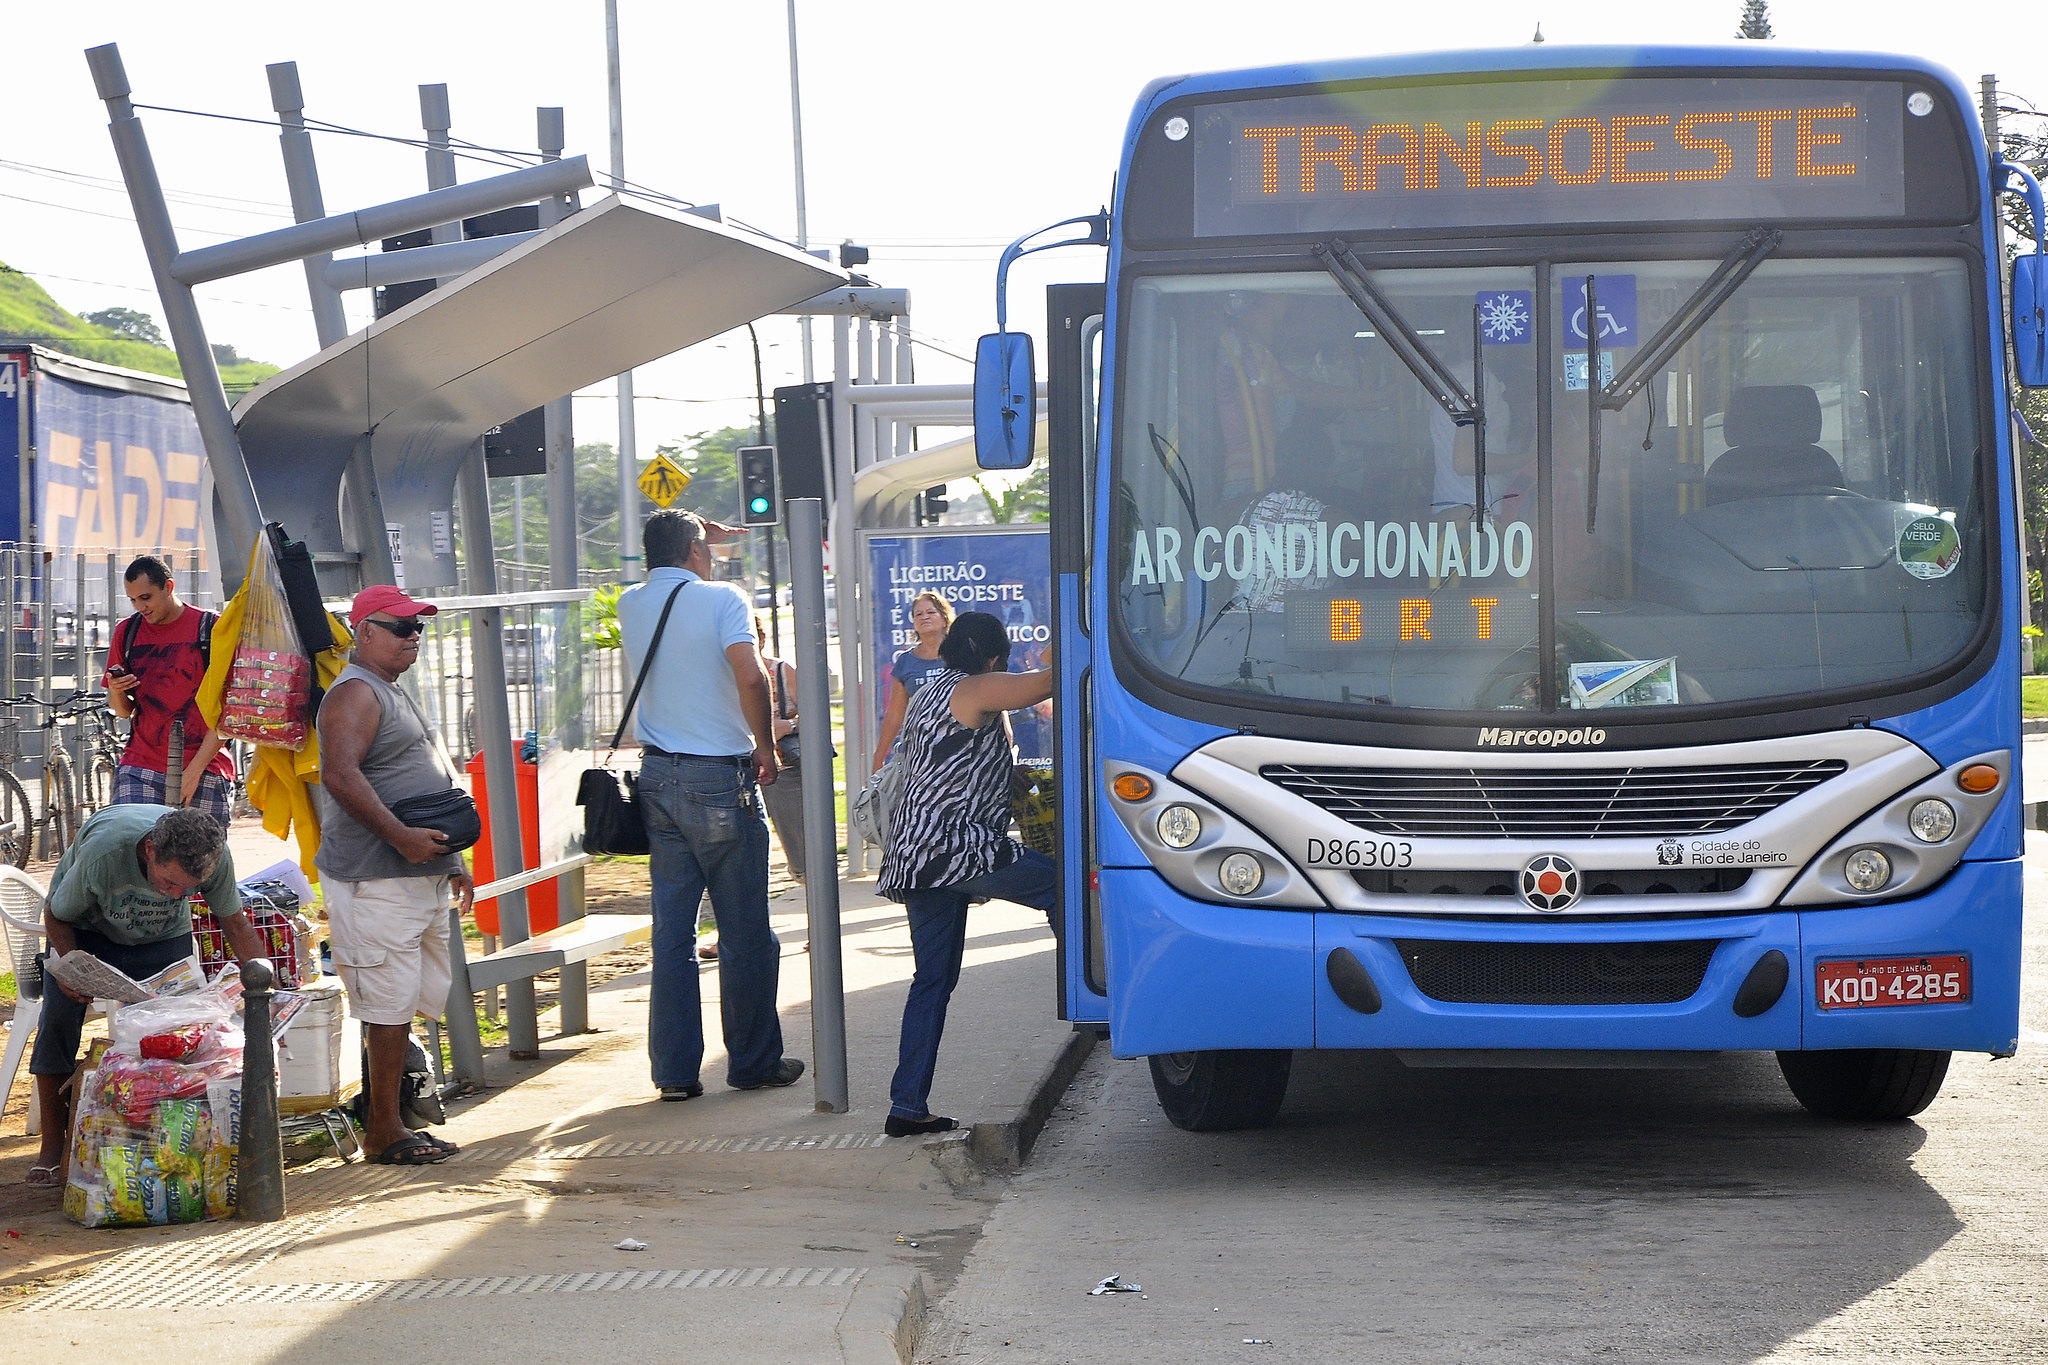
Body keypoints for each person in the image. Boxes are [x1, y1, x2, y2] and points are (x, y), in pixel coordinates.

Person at [620, 509, 804, 1100]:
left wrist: (697, 540)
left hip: (657, 778)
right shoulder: (725, 598)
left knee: (672, 934)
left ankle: (674, 1073)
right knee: (745, 930)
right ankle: (752, 1062)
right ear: (696, 551)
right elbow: (752, 679)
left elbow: (671, 555)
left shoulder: (631, 603)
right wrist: (767, 749)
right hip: (719, 779)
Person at [315, 584, 476, 1167]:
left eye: (419, 628)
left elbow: (424, 780)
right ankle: (383, 1130)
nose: (413, 637)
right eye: (400, 626)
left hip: (416, 876)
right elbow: (340, 776)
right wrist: (403, 839)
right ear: (364, 631)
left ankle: (395, 1120)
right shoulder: (355, 693)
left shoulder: (388, 690)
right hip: (375, 877)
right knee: (386, 1004)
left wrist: (450, 861)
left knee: (405, 1001)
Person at [878, 611, 1055, 1137]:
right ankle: (1100, 1004)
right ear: (995, 657)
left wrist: (1007, 777)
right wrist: (1076, 629)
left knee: (931, 981)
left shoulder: (930, 689)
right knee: (1068, 889)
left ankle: (907, 1104)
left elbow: (952, 762)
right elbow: (1043, 685)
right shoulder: (974, 687)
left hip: (914, 853)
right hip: (960, 851)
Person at [25, 805, 259, 1186]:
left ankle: (170, 1144)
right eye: (169, 883)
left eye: (188, 889)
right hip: (85, 930)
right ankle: (53, 1149)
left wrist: (264, 988)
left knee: (186, 1032)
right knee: (57, 1023)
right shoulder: (106, 854)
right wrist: (69, 966)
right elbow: (57, 914)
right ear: (150, 849)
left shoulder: (213, 859)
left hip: (162, 936)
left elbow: (234, 922)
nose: (176, 893)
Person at [103, 555, 235, 824]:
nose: (140, 607)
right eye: (133, 600)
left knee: (199, 861)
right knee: (128, 849)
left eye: (146, 597)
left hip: (205, 766)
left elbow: (229, 713)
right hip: (140, 765)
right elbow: (122, 712)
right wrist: (117, 690)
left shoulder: (212, 629)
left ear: (169, 586)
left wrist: (195, 770)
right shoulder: (126, 632)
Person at [871, 591, 954, 775]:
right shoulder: (905, 662)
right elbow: (894, 714)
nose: (924, 617)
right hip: (920, 754)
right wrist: (879, 756)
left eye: (931, 612)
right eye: (919, 614)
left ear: (944, 616)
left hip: (959, 750)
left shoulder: (961, 654)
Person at [754, 612, 807, 887]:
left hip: (783, 766)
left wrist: (787, 725)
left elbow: (815, 714)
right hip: (738, 767)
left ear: (762, 638)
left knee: (800, 849)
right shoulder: (721, 675)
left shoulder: (782, 671)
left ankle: (816, 911)